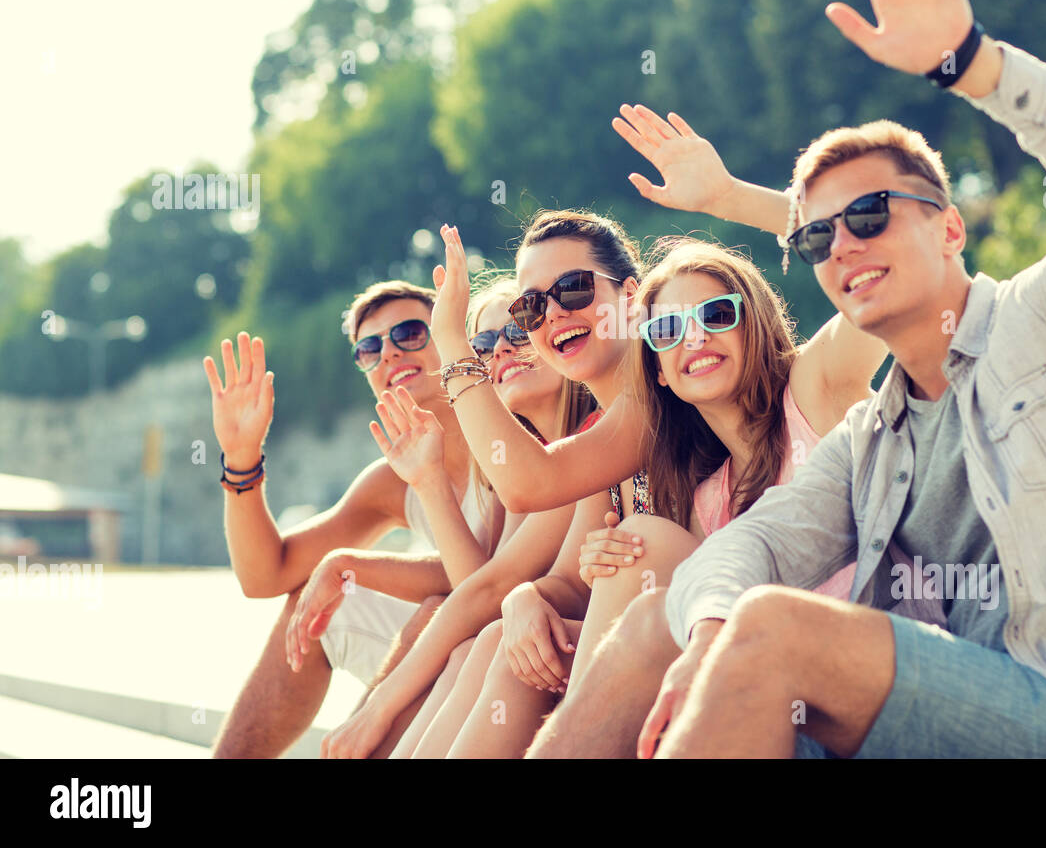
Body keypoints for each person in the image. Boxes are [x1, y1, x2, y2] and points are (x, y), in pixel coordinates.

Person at [540, 0, 1046, 760]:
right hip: (923, 722)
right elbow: (755, 543)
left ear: (951, 227)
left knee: (776, 628)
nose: (842, 245)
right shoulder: (871, 440)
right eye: (817, 235)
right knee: (657, 631)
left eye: (869, 215)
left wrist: (975, 66)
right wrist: (705, 630)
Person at [445, 236, 889, 758]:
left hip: (867, 683)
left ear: (757, 321)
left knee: (642, 550)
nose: (694, 338)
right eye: (667, 330)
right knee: (522, 644)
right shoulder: (706, 498)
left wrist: (729, 198)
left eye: (718, 314)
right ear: (657, 365)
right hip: (767, 701)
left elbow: (883, 288)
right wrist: (551, 589)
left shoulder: (815, 392)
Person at [320, 211, 646, 757]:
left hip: (661, 640)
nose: (498, 350)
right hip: (585, 645)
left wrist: (452, 345)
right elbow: (491, 588)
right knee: (487, 639)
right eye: (532, 308)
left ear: (631, 295)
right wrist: (428, 482)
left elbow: (487, 588)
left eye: (574, 288)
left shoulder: (626, 416)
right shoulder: (573, 443)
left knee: (487, 639)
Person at [205, 280, 502, 758]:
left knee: (430, 613)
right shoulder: (392, 479)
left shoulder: (508, 428)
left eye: (409, 333)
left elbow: (495, 573)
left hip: (519, 640)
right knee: (316, 603)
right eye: (368, 348)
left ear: (451, 333)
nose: (388, 354)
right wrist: (242, 457)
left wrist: (352, 564)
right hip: (457, 639)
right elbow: (265, 575)